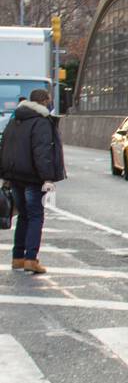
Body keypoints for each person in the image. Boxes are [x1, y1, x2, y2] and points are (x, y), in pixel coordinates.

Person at [0, 88, 66, 274]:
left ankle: (18, 258)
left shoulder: (15, 120)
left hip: (15, 176)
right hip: (33, 178)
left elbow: (4, 147)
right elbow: (42, 152)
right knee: (36, 216)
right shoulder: (41, 122)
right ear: (44, 101)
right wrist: (48, 178)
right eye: (50, 100)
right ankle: (31, 259)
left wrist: (5, 175)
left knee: (23, 216)